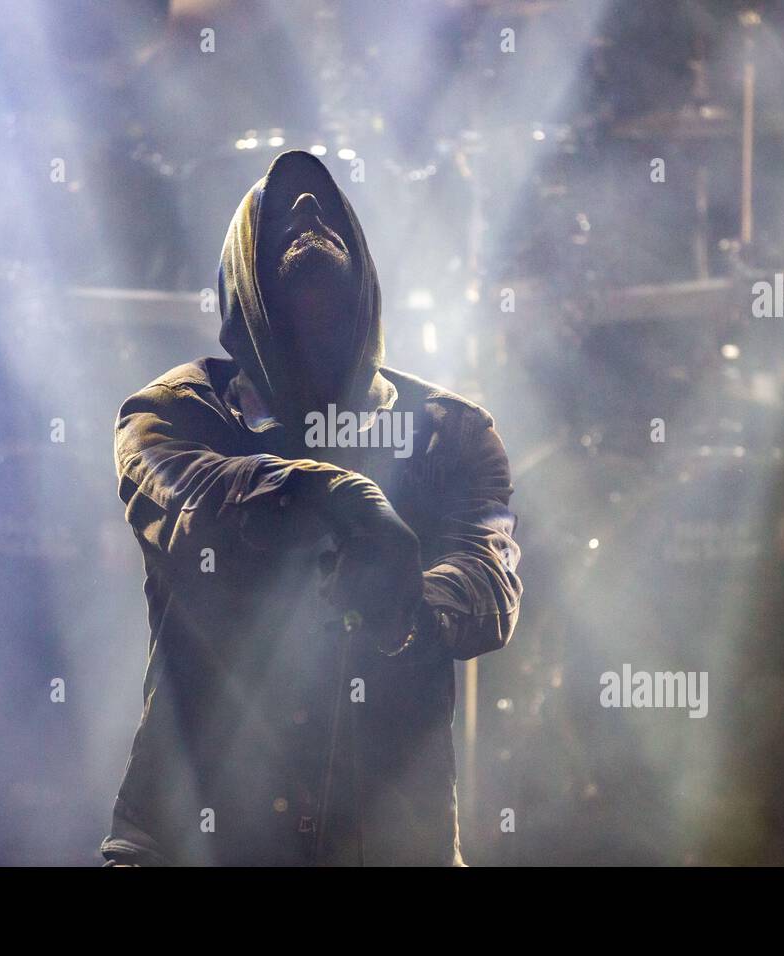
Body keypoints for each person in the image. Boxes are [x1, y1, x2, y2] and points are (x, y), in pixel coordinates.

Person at [101, 149, 522, 865]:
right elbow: (189, 497)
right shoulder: (173, 412)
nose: (306, 212)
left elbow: (491, 580)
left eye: (324, 208)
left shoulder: (452, 432)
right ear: (244, 275)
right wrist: (330, 493)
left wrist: (406, 605)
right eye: (284, 213)